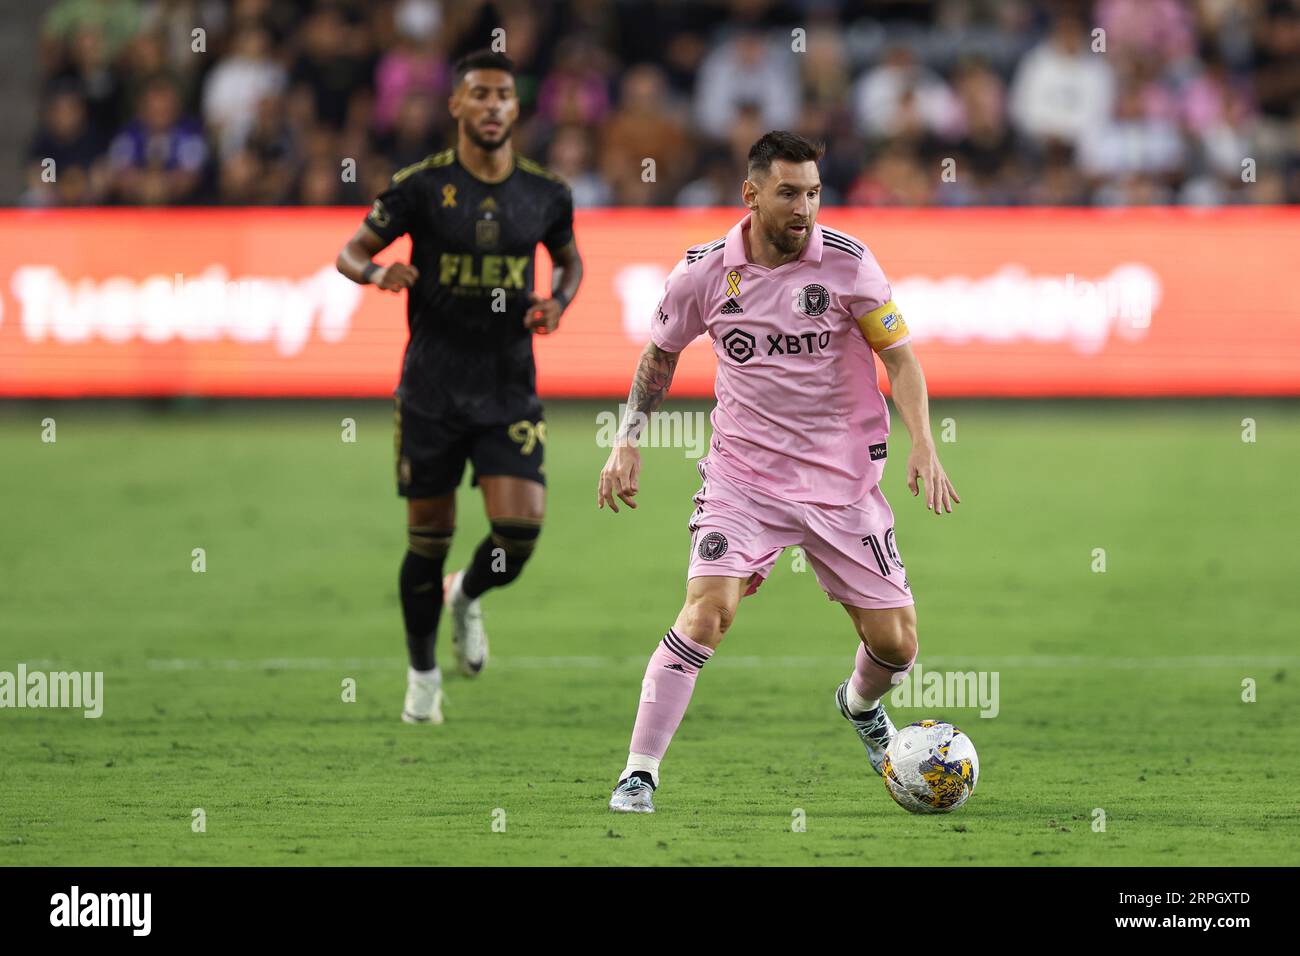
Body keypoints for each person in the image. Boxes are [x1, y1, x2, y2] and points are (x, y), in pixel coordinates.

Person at [598, 130, 958, 812]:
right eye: (790, 193)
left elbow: (901, 358)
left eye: (815, 193)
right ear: (752, 193)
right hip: (745, 482)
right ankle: (639, 771)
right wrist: (626, 441)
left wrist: (923, 443)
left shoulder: (849, 264)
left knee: (897, 645)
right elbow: (660, 356)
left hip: (842, 484)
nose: (805, 207)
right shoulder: (704, 273)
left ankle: (859, 707)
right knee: (707, 613)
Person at [336, 50, 583, 725]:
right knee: (428, 539)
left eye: (504, 95)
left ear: (516, 108)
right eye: (480, 94)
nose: (494, 106)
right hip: (432, 391)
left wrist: (558, 301)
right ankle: (422, 677)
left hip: (508, 387)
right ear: (456, 107)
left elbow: (569, 262)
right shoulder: (420, 187)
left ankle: (468, 596)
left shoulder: (545, 193)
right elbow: (349, 251)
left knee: (519, 530)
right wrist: (375, 274)